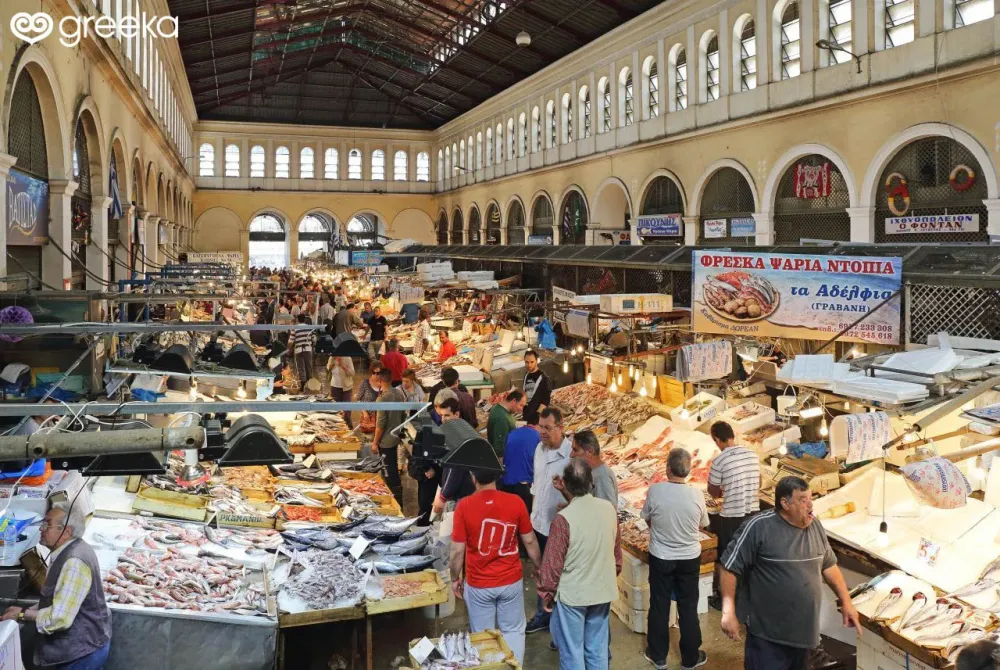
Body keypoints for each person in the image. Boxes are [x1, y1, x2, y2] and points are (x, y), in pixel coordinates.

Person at [719, 476, 861, 670]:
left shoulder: (816, 527)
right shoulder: (758, 527)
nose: (810, 504)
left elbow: (829, 566)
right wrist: (728, 612)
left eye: (810, 498)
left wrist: (846, 601)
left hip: (804, 637)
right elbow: (728, 567)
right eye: (803, 500)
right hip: (767, 638)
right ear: (785, 503)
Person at [2, 502, 112, 669]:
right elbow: (58, 596)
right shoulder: (64, 551)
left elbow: (59, 619)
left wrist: (23, 614)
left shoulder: (74, 562)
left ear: (66, 532)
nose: (41, 529)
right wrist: (25, 610)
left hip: (81, 654)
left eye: (47, 524)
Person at [450, 469, 542, 666]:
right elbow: (530, 540)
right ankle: (514, 667)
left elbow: (457, 551)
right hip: (510, 582)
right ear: (496, 477)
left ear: (473, 478)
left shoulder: (464, 506)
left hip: (479, 585)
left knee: (483, 636)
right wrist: (538, 566)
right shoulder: (516, 501)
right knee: (514, 631)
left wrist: (454, 578)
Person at [537, 459, 622, 670]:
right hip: (602, 590)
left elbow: (552, 565)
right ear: (591, 482)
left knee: (572, 652)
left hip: (573, 595)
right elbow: (616, 554)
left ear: (565, 484)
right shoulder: (609, 509)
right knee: (597, 649)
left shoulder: (563, 519)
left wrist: (546, 594)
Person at [642, 448, 710, 670]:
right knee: (688, 606)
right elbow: (703, 524)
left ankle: (658, 655)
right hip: (689, 558)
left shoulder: (655, 491)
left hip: (661, 557)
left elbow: (647, 519)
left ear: (668, 468)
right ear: (688, 471)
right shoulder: (697, 495)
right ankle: (690, 658)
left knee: (659, 605)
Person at [525, 407, 572, 635]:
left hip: (559, 527)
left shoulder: (571, 455)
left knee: (560, 575)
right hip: (538, 523)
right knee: (541, 572)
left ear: (560, 427)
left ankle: (559, 621)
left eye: (547, 428)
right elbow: (537, 484)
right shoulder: (538, 449)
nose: (542, 432)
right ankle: (543, 615)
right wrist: (532, 516)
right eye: (540, 427)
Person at [707, 420, 761, 608]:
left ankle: (726, 600)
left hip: (731, 516)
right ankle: (746, 598)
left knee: (728, 558)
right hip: (754, 514)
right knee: (749, 557)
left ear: (716, 439)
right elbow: (759, 483)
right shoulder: (752, 455)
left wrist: (723, 491)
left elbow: (713, 491)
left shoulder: (719, 460)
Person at [432, 398, 477, 514]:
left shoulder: (459, 437)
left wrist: (442, 498)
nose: (443, 420)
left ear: (457, 414)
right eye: (441, 416)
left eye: (447, 415)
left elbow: (455, 471)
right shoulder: (456, 431)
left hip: (460, 497)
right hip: (459, 494)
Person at [372, 368, 405, 503]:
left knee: (388, 470)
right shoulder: (399, 394)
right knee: (392, 466)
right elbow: (403, 416)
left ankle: (394, 500)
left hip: (385, 441)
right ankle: (397, 496)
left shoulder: (382, 399)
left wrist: (375, 442)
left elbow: (380, 424)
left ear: (380, 381)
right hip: (395, 437)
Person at [571, 430, 617, 507]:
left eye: (575, 450)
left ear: (590, 452)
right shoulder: (590, 472)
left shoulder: (602, 478)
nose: (571, 455)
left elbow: (607, 514)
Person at [502, 422, 540, 514]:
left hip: (507, 480)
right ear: (537, 425)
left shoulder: (512, 433)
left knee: (510, 514)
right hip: (524, 482)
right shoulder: (537, 436)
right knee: (525, 515)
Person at [487, 390, 524, 463]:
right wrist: (502, 469)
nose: (521, 409)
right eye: (521, 405)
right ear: (513, 401)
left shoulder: (499, 408)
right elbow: (499, 447)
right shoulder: (502, 418)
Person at [522, 349, 552, 426]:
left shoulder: (544, 378)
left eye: (532, 362)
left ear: (537, 361)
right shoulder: (526, 375)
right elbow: (525, 393)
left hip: (537, 418)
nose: (529, 365)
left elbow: (546, 400)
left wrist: (537, 414)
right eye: (527, 362)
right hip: (526, 415)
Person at [327, 354, 355, 429]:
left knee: (347, 409)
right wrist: (331, 365)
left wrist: (343, 366)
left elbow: (352, 373)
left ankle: (349, 427)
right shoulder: (331, 358)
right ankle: (338, 428)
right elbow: (328, 369)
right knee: (336, 409)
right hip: (334, 387)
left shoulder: (348, 358)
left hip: (346, 387)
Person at [291, 314, 315, 383]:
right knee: (309, 366)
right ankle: (310, 383)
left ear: (298, 320)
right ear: (304, 319)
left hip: (298, 350)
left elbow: (291, 340)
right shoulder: (310, 328)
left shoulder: (295, 328)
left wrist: (289, 349)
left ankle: (303, 384)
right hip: (308, 349)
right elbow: (314, 339)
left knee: (301, 367)